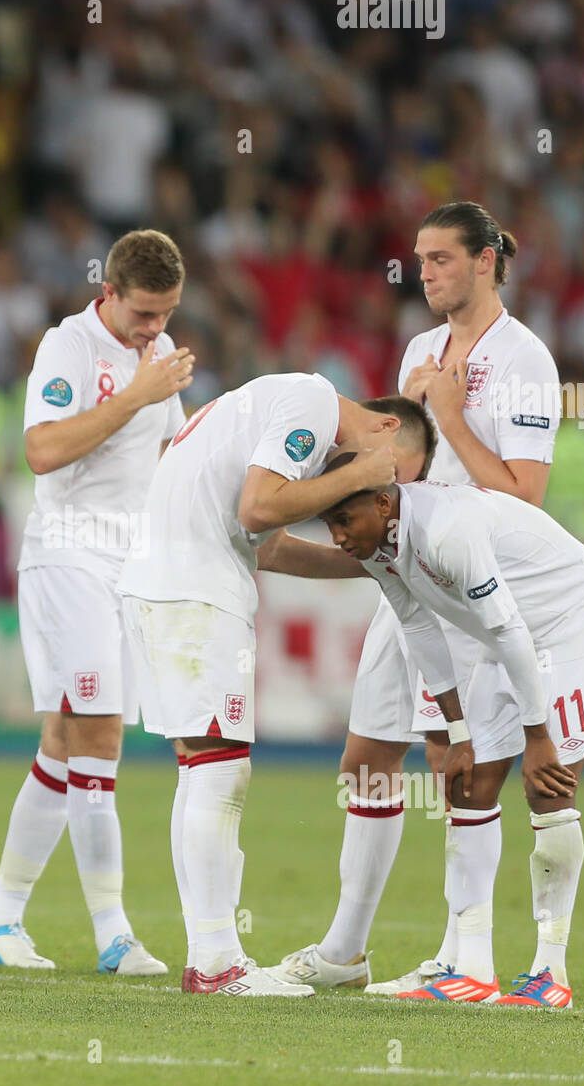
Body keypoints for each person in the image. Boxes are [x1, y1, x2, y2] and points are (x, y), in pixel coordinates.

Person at [268, 201, 562, 994]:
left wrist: (450, 415)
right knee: (367, 760)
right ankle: (344, 953)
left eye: (439, 259)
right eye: (420, 259)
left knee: (458, 764)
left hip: (469, 583)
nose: (423, 273)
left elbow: (523, 498)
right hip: (407, 577)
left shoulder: (526, 360)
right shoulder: (421, 350)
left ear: (486, 261)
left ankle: (464, 959)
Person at [118, 374, 436, 994]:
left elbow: (266, 546)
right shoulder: (312, 403)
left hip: (164, 586)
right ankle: (218, 965)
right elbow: (259, 509)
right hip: (194, 593)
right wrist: (357, 474)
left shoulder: (265, 411)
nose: (388, 488)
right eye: (397, 472)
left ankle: (209, 956)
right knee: (220, 771)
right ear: (387, 430)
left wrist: (370, 565)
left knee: (201, 769)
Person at [315, 464, 584, 1006]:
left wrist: (537, 737)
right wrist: (457, 729)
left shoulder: (447, 532)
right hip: (502, 632)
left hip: (574, 622)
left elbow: (508, 626)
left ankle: (550, 973)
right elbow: (417, 626)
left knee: (548, 787)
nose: (338, 537)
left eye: (344, 520)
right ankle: (473, 967)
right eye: (329, 524)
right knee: (467, 785)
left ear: (384, 505)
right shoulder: (376, 544)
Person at [0, 229, 193, 976]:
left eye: (165, 315)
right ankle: (114, 934)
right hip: (67, 553)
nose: (153, 329)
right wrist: (136, 395)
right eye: (143, 314)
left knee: (65, 743)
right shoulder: (69, 347)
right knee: (97, 734)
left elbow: (164, 459)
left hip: (127, 563)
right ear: (109, 293)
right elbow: (42, 451)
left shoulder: (158, 362)